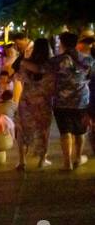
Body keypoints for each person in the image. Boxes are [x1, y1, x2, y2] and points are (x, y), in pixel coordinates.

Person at [51, 32, 92, 170]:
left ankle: (67, 162)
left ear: (62, 43)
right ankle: (78, 158)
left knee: (65, 131)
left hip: (61, 101)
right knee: (80, 131)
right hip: (81, 100)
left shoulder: (57, 61)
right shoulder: (88, 60)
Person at [15, 37, 54, 171]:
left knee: (22, 129)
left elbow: (20, 79)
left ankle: (22, 161)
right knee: (44, 130)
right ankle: (42, 160)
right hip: (43, 101)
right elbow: (52, 83)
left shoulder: (24, 63)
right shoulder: (51, 65)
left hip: (26, 100)